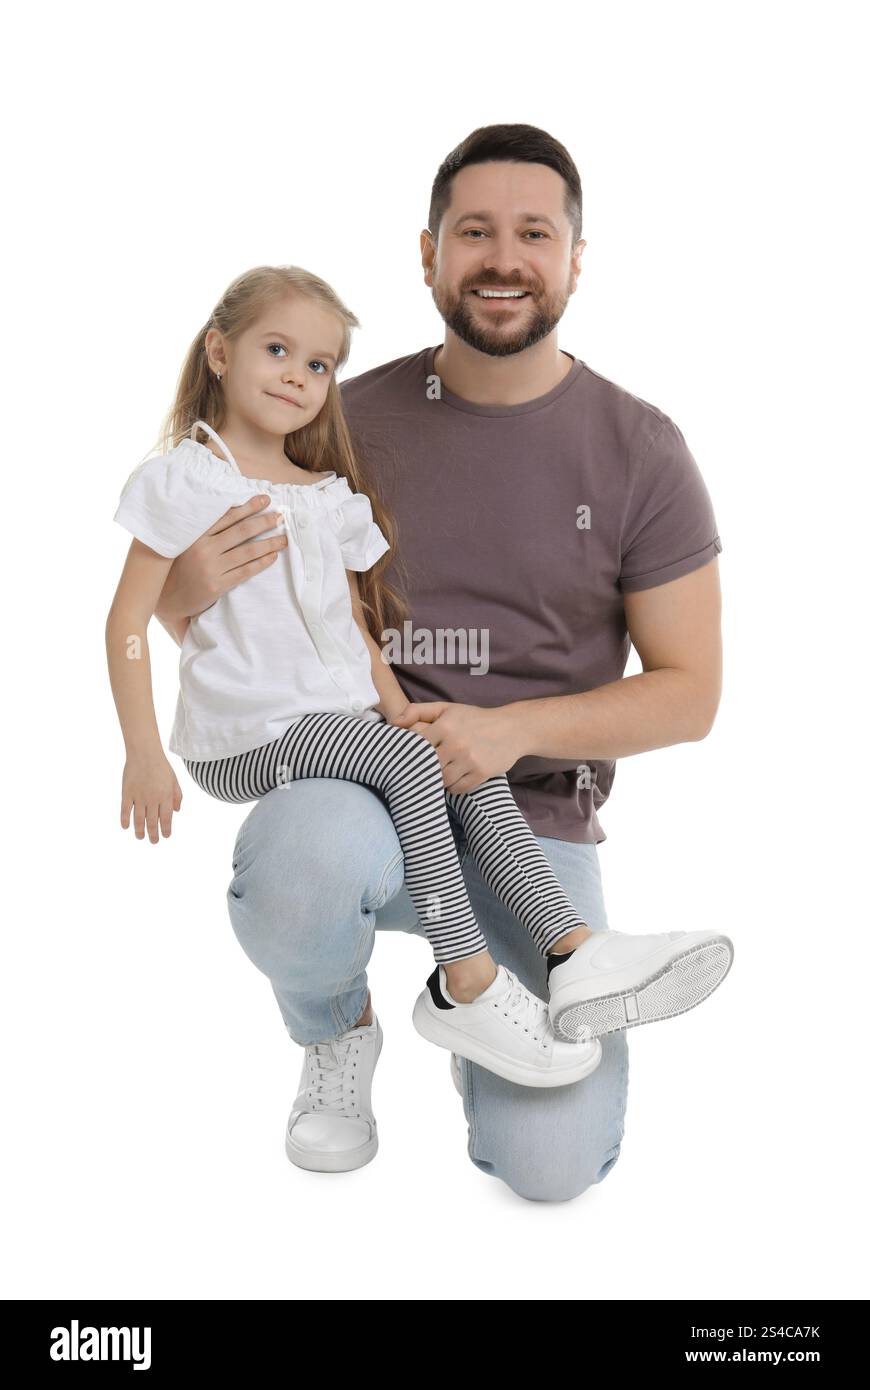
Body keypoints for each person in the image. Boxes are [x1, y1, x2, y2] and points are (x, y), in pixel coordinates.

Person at [150, 124, 728, 1199]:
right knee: (300, 865)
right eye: (474, 232)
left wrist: (508, 730)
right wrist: (180, 593)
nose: (503, 258)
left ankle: (528, 981)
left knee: (551, 1167)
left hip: (531, 820)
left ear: (574, 258)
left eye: (533, 233)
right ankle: (338, 1031)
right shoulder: (340, 418)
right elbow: (223, 611)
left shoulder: (641, 449)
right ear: (428, 255)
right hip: (353, 789)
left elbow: (691, 693)